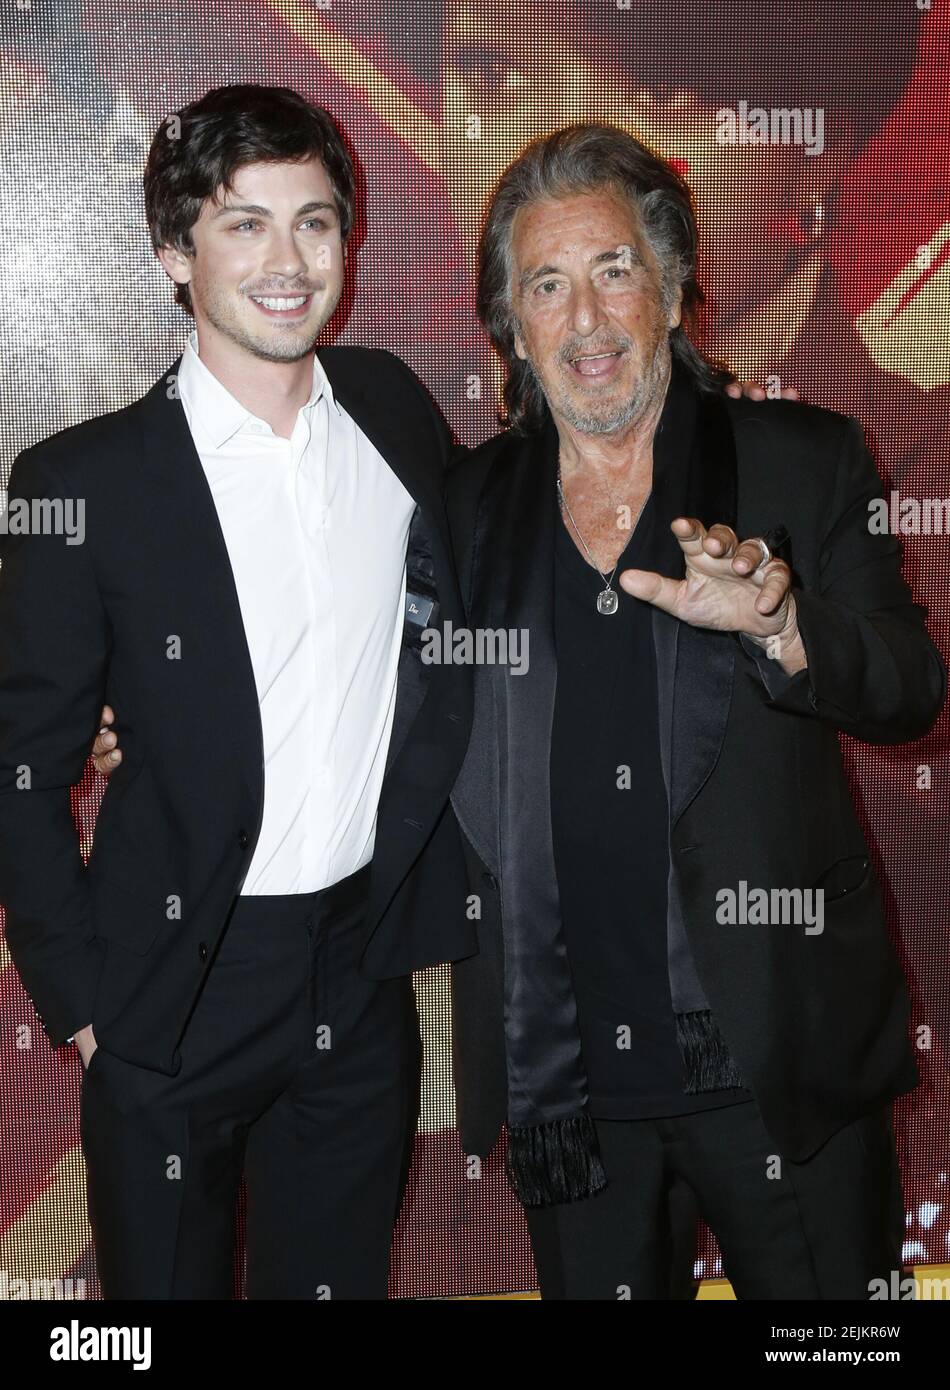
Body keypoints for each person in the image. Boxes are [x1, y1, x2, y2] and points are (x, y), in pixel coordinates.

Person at [446, 123, 945, 1299]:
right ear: (511, 328)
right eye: (546, 286)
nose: (583, 319)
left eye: (613, 270)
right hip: (568, 1068)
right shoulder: (463, 509)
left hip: (777, 1049)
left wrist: (779, 625)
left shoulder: (805, 461)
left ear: (669, 291)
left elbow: (908, 687)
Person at [0, 83, 477, 1299]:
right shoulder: (82, 481)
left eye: (313, 222)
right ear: (174, 248)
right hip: (169, 981)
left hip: (358, 975)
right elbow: (21, 765)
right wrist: (86, 1006)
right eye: (242, 223)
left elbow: (508, 548)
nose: (286, 261)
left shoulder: (390, 410)